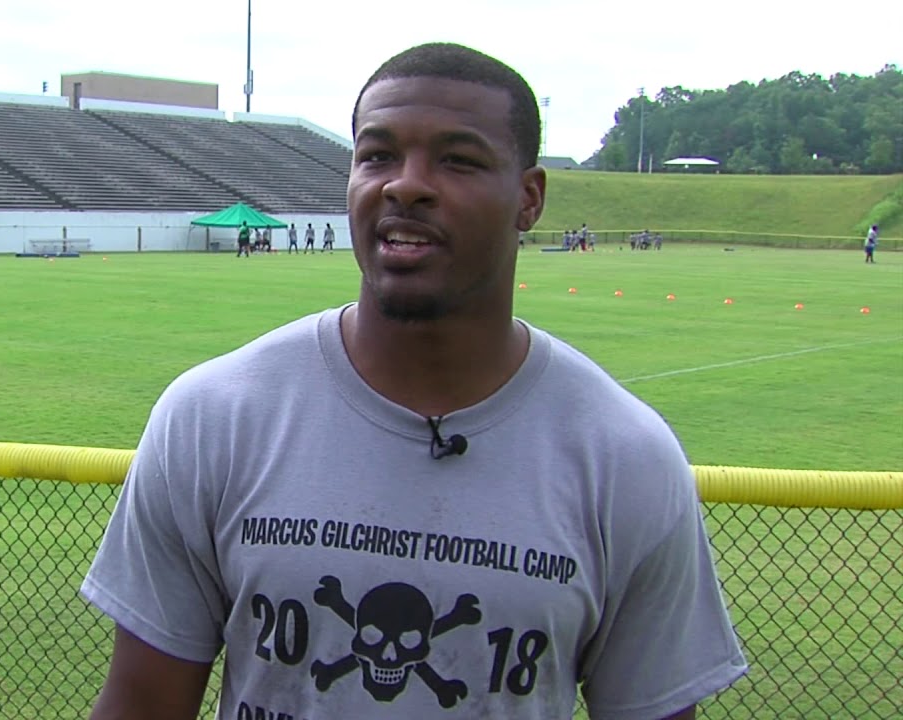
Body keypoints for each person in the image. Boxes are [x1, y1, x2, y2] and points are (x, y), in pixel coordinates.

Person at [82, 42, 747, 720]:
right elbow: (141, 704)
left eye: (458, 160)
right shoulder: (213, 418)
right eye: (377, 155)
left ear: (529, 198)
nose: (405, 185)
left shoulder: (626, 457)